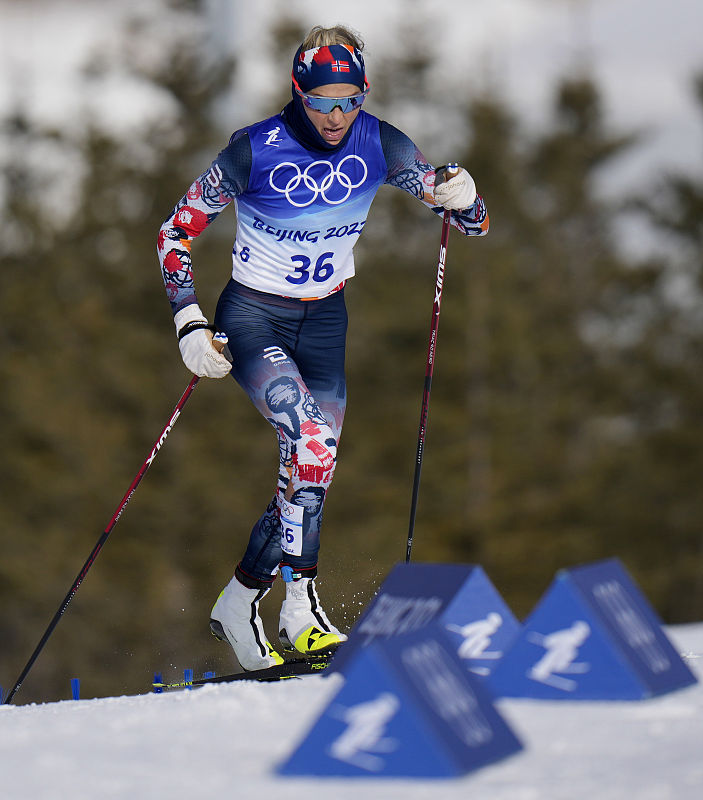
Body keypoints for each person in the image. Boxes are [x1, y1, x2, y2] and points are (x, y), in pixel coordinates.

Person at [155, 24, 489, 671]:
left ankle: (238, 601)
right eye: (321, 101)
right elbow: (175, 232)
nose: (336, 117)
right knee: (309, 443)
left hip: (326, 321)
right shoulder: (255, 151)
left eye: (349, 101)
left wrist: (465, 197)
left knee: (310, 473)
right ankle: (300, 609)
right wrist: (189, 322)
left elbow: (465, 220)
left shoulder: (380, 143)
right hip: (254, 318)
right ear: (297, 92)